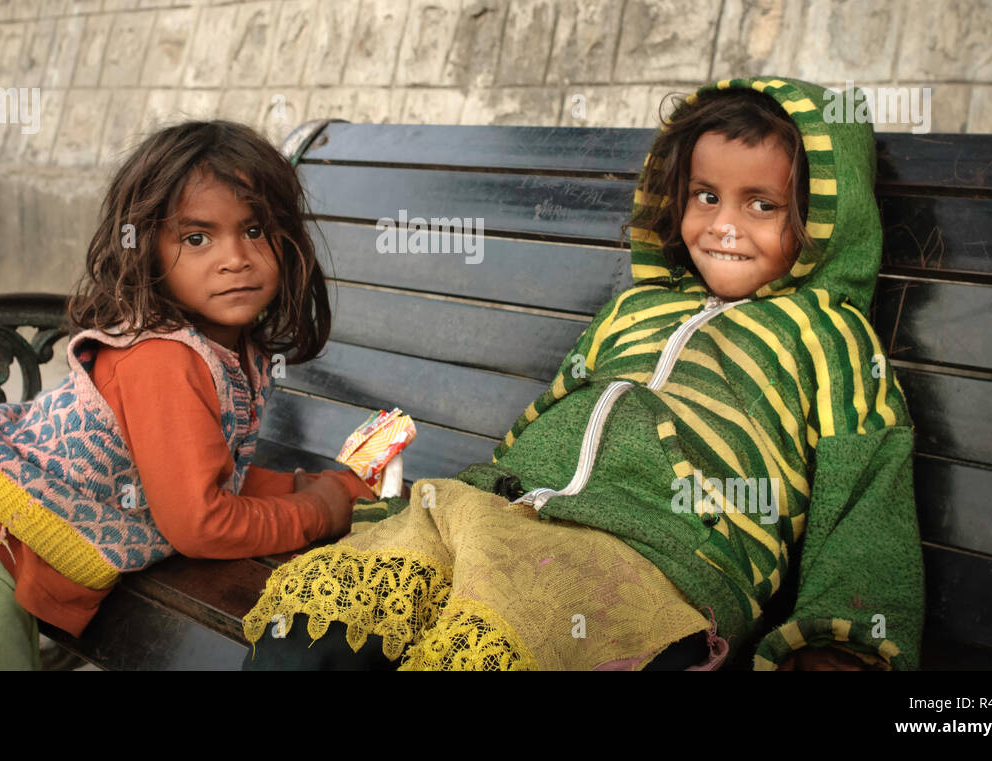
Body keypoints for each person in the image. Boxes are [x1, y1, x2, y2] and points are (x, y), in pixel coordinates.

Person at [241, 76, 924, 671]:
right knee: (321, 618)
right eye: (705, 195)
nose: (724, 225)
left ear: (825, 220)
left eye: (762, 204)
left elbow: (866, 489)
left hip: (653, 553)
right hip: (502, 510)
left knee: (511, 636)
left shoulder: (830, 340)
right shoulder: (634, 309)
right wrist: (467, 490)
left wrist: (847, 635)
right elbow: (551, 411)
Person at [0, 120, 373, 669]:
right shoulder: (163, 359)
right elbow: (200, 524)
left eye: (254, 231)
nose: (235, 258)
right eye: (197, 238)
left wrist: (304, 484)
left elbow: (197, 472)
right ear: (147, 250)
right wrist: (316, 512)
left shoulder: (226, 350)